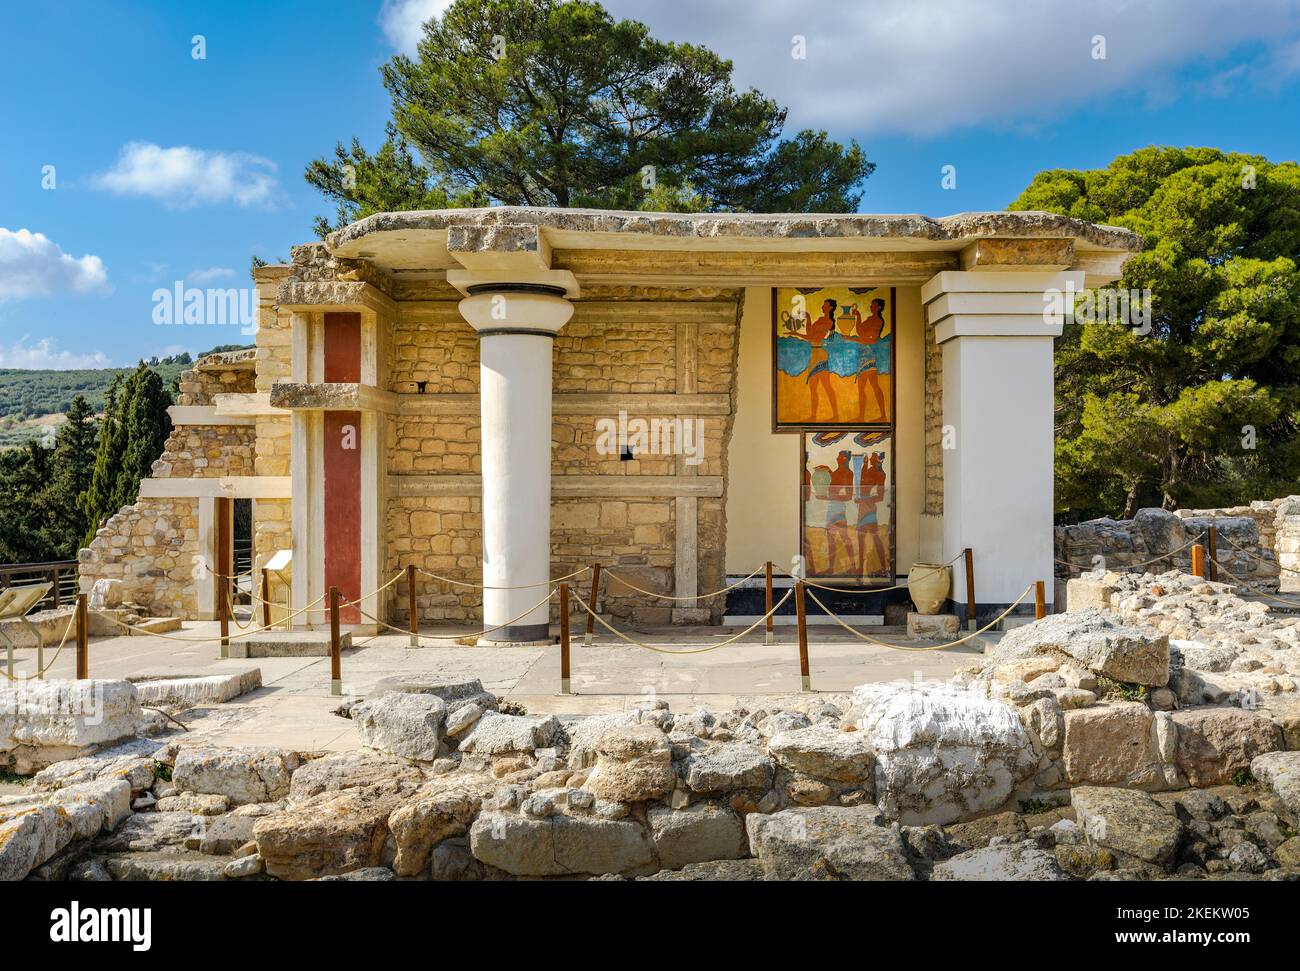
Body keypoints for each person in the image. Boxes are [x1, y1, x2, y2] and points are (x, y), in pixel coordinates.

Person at [786, 299, 840, 422]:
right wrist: (808, 318)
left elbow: (813, 337)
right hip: (814, 354)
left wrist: (796, 334)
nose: (822, 306)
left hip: (820, 354)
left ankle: (835, 415)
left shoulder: (828, 321)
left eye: (825, 305)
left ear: (830, 308)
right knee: (813, 387)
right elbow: (810, 332)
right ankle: (813, 416)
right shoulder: (821, 320)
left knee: (827, 386)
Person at [843, 297, 890, 422]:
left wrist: (851, 339)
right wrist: (858, 316)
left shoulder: (878, 321)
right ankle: (862, 416)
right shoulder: (869, 319)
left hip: (868, 354)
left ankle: (883, 415)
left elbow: (872, 339)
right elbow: (860, 331)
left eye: (873, 305)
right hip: (862, 354)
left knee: (874, 386)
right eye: (871, 304)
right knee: (862, 387)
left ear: (879, 307)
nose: (871, 306)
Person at [855, 451, 888, 578]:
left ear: (879, 460)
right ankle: (861, 569)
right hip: (863, 507)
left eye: (875, 458)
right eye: (872, 458)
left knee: (874, 537)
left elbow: (880, 497)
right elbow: (863, 483)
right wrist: (864, 464)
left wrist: (863, 500)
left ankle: (884, 568)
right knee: (861, 539)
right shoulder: (868, 470)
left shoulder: (880, 474)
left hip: (868, 508)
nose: (872, 460)